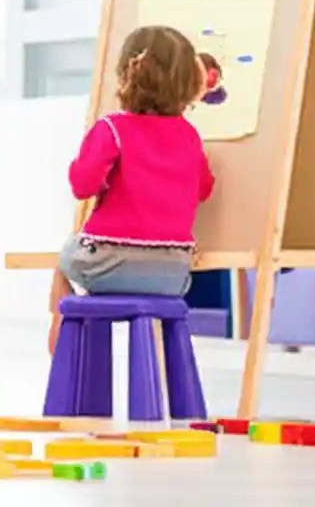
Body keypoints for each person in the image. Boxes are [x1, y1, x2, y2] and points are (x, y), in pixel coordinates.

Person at [48, 25, 215, 351]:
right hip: (173, 275)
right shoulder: (190, 136)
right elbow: (204, 189)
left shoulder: (111, 128)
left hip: (108, 267)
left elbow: (82, 186)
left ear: (126, 75)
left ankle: (59, 324)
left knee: (64, 258)